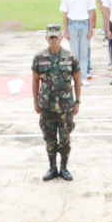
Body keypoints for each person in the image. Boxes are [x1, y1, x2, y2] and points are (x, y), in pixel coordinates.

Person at [32, 24, 80, 182]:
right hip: (47, 106)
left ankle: (64, 168)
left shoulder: (70, 57)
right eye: (51, 37)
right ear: (47, 38)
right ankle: (52, 168)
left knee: (65, 139)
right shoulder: (39, 57)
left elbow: (77, 81)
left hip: (66, 107)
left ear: (61, 37)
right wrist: (35, 102)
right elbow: (35, 81)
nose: (53, 40)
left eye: (56, 37)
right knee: (49, 138)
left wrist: (77, 102)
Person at [60, 0, 97, 84]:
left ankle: (83, 77)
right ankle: (75, 77)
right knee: (74, 53)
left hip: (84, 24)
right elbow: (65, 13)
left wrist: (91, 28)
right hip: (72, 24)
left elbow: (91, 12)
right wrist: (65, 30)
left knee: (84, 53)